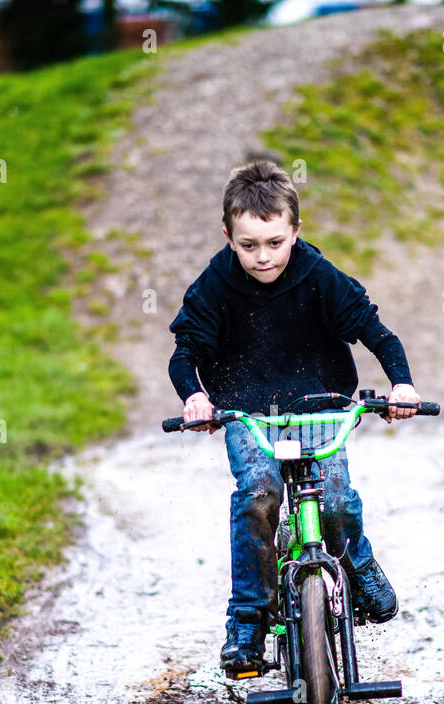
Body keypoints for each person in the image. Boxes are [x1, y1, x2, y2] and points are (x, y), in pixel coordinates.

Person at [168, 159, 421, 676]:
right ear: (228, 236)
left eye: (276, 243)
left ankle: (356, 560)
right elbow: (185, 352)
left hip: (320, 405)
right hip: (248, 411)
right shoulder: (215, 285)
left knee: (334, 499)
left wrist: (402, 384)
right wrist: (195, 396)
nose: (263, 257)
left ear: (295, 231)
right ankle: (247, 621)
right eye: (248, 245)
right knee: (258, 494)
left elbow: (379, 334)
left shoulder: (319, 276)